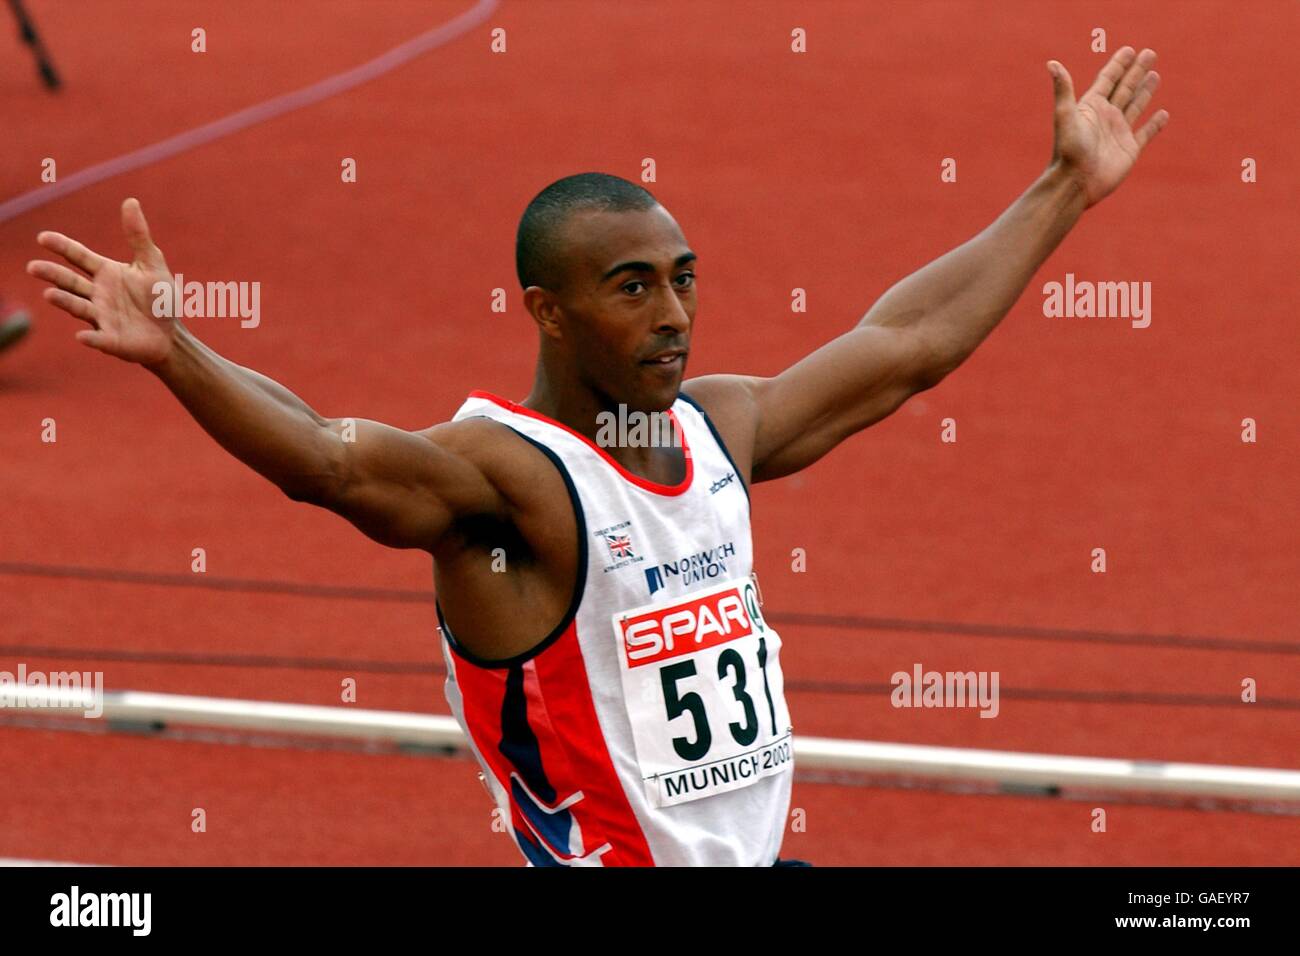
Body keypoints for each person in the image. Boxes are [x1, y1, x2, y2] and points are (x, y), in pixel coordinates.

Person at [25, 47, 1167, 866]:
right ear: (548, 311)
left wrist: (1064, 188)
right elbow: (326, 459)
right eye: (632, 287)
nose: (672, 312)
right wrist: (178, 352)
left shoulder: (720, 429)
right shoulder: (506, 482)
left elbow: (905, 345)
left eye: (683, 276)